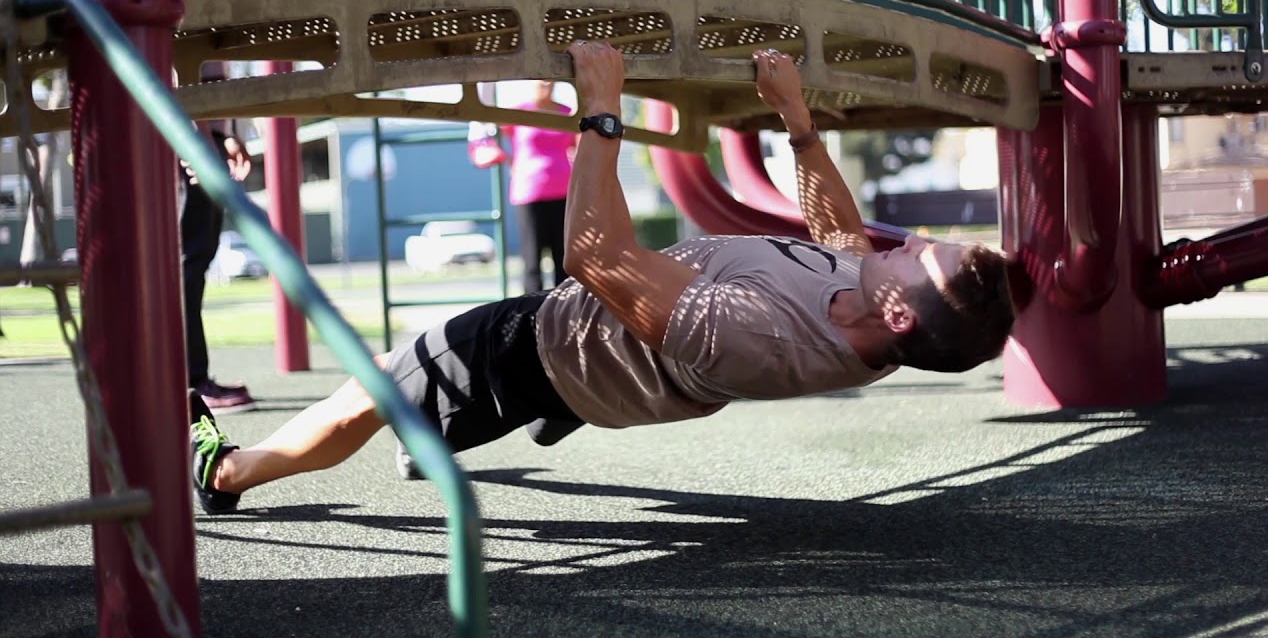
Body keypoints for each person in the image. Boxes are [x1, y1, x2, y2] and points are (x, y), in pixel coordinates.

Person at [189, 41, 1017, 514]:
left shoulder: (759, 336)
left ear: (904, 320)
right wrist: (797, 124)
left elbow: (596, 256)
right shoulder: (872, 304)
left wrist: (603, 107)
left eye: (918, 254)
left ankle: (231, 472)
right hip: (606, 372)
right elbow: (839, 234)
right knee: (467, 406)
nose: (903, 243)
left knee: (366, 393)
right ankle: (456, 429)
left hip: (543, 346)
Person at [182, 62, 257, 415]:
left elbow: (213, 85)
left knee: (197, 262)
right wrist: (200, 140)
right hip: (180, 139)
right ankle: (190, 381)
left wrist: (222, 134)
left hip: (199, 136)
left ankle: (195, 377)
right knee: (185, 266)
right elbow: (181, 81)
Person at [497, 80, 579, 294]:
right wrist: (507, 160)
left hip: (563, 191)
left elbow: (579, 145)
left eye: (550, 80)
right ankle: (532, 313)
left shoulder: (567, 112)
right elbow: (489, 135)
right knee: (532, 257)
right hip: (530, 192)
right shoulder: (519, 113)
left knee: (563, 257)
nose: (546, 84)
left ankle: (565, 307)